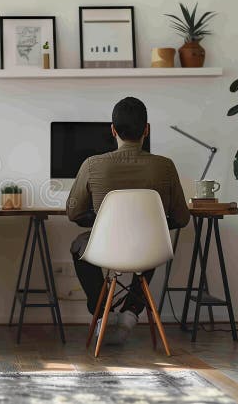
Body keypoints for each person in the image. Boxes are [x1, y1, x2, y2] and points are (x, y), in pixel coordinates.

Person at [67, 97, 190, 345]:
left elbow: (73, 212)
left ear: (112, 130)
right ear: (147, 129)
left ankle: (102, 313)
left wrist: (98, 217)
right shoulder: (165, 167)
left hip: (106, 249)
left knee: (79, 245)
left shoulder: (92, 165)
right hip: (148, 249)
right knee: (153, 235)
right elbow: (182, 218)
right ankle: (132, 312)